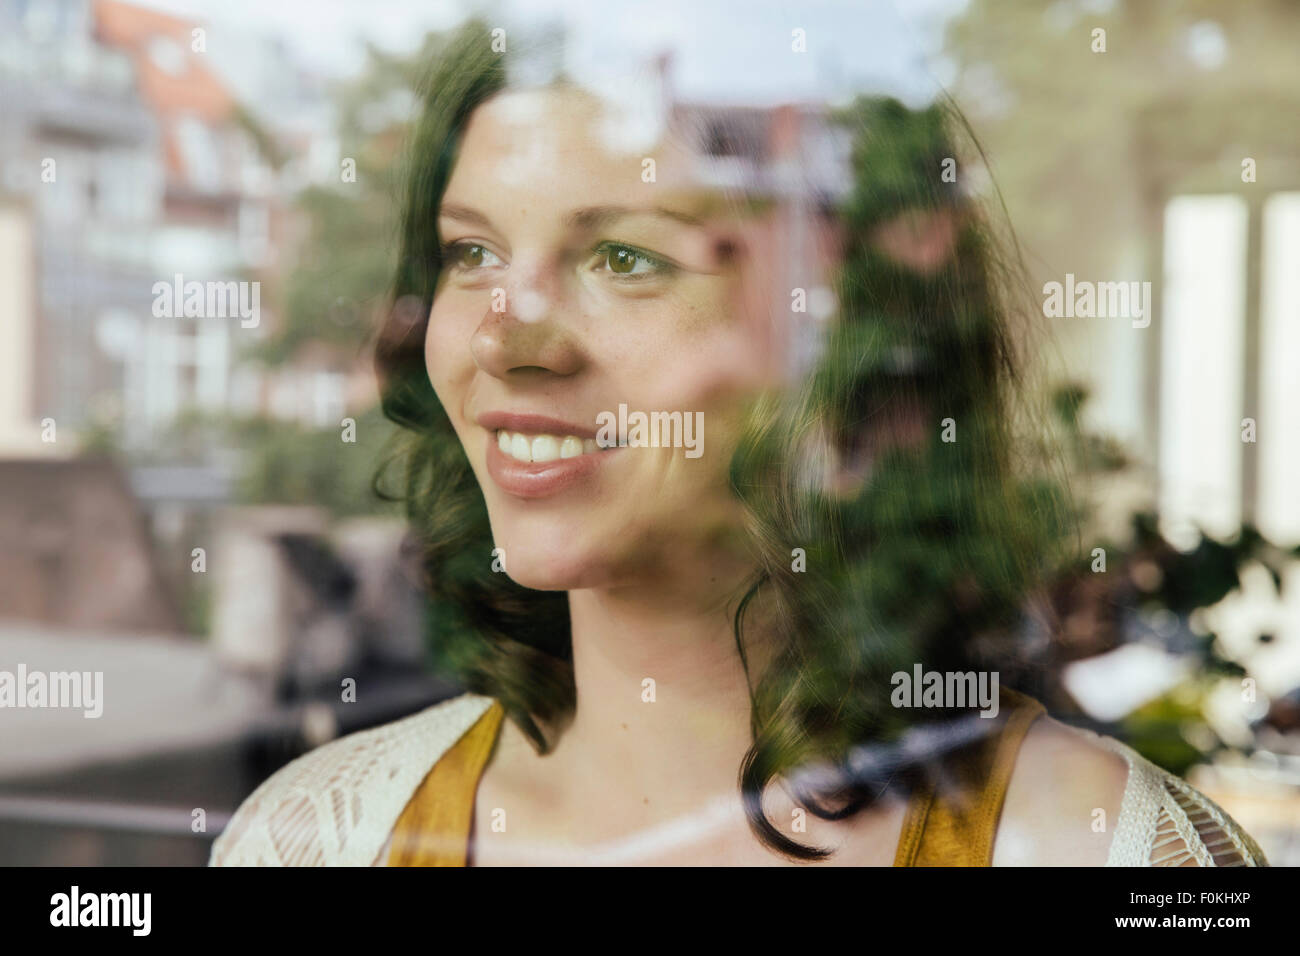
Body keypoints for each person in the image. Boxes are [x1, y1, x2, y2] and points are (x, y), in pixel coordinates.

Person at [210, 23, 1267, 867]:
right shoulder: (320, 838)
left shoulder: (1105, 851)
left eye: (625, 255)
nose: (503, 337)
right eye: (470, 250)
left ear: (848, 338)